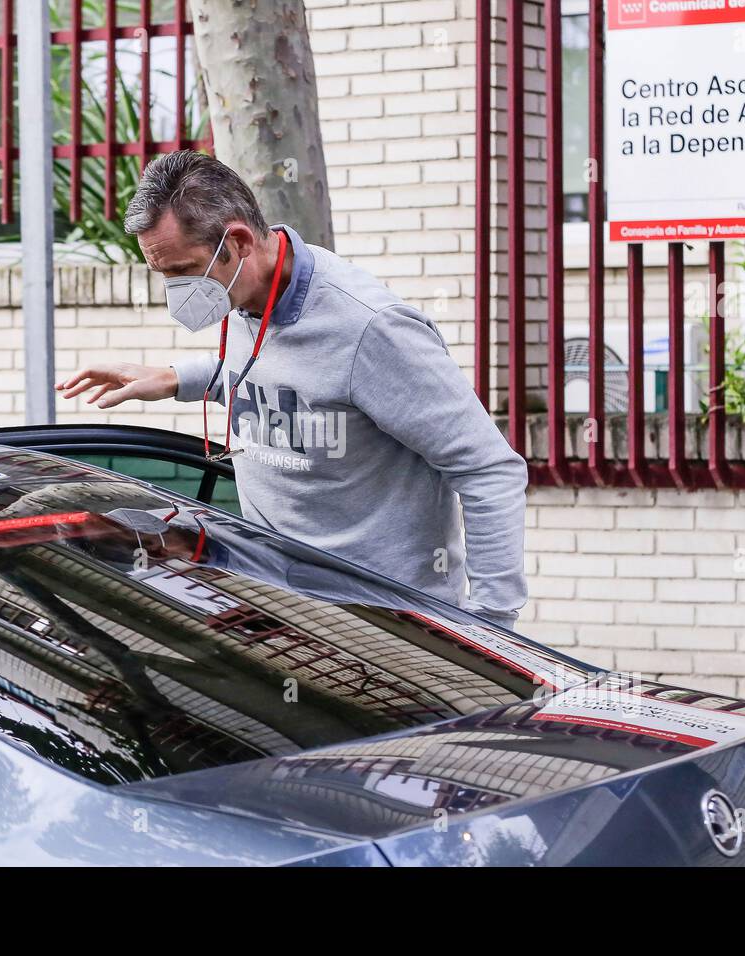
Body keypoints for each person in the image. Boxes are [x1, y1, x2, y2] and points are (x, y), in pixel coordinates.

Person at [55, 151, 528, 627]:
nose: (175, 291)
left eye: (183, 270)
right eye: (164, 275)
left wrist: (491, 621)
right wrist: (177, 378)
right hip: (279, 607)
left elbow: (487, 468)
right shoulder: (244, 295)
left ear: (237, 241)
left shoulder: (369, 328)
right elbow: (288, 384)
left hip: (384, 628)